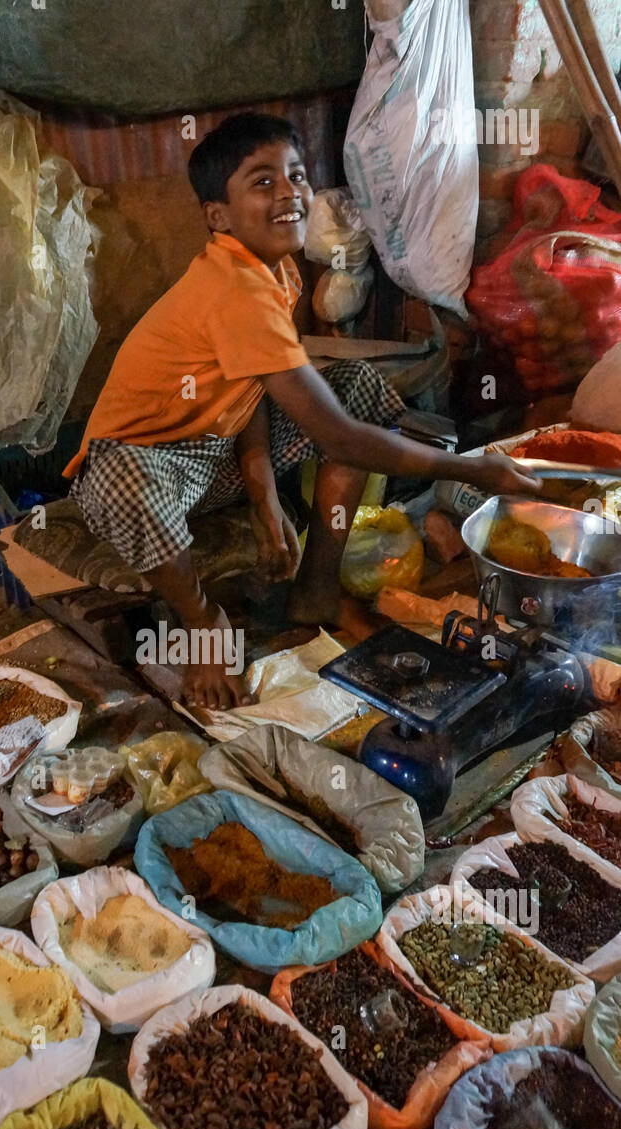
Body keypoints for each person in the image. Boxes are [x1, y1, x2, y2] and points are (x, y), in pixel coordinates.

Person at [64, 113, 540, 710]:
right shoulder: (231, 287)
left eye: (296, 175)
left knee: (354, 384)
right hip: (144, 464)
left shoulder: (272, 271)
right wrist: (474, 469)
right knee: (125, 480)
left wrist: (263, 493)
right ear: (218, 216)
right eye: (262, 182)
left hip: (214, 456)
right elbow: (339, 440)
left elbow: (254, 391)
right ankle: (203, 621)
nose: (289, 192)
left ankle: (315, 588)